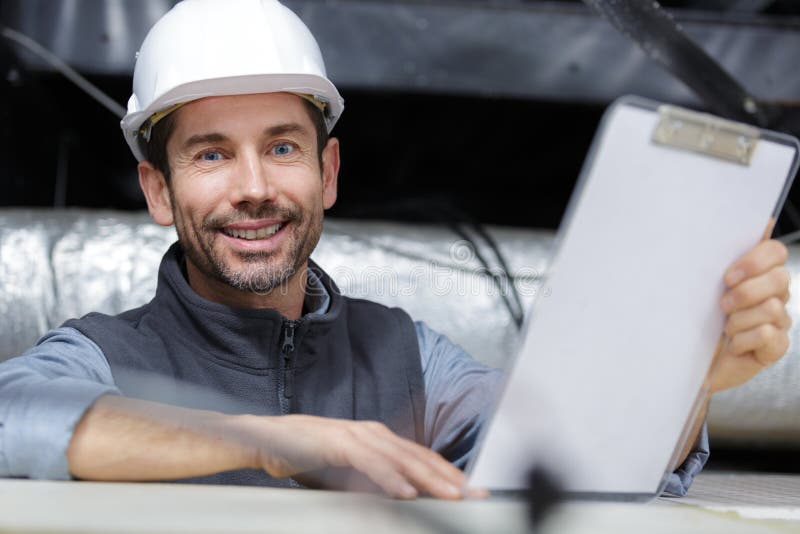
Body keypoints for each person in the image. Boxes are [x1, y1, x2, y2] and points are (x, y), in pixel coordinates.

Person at [0, 0, 791, 500]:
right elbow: (11, 418)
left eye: (281, 148)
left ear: (327, 172)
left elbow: (569, 454)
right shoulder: (102, 354)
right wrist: (273, 442)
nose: (253, 187)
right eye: (210, 155)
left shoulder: (406, 359)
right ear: (159, 191)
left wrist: (690, 378)